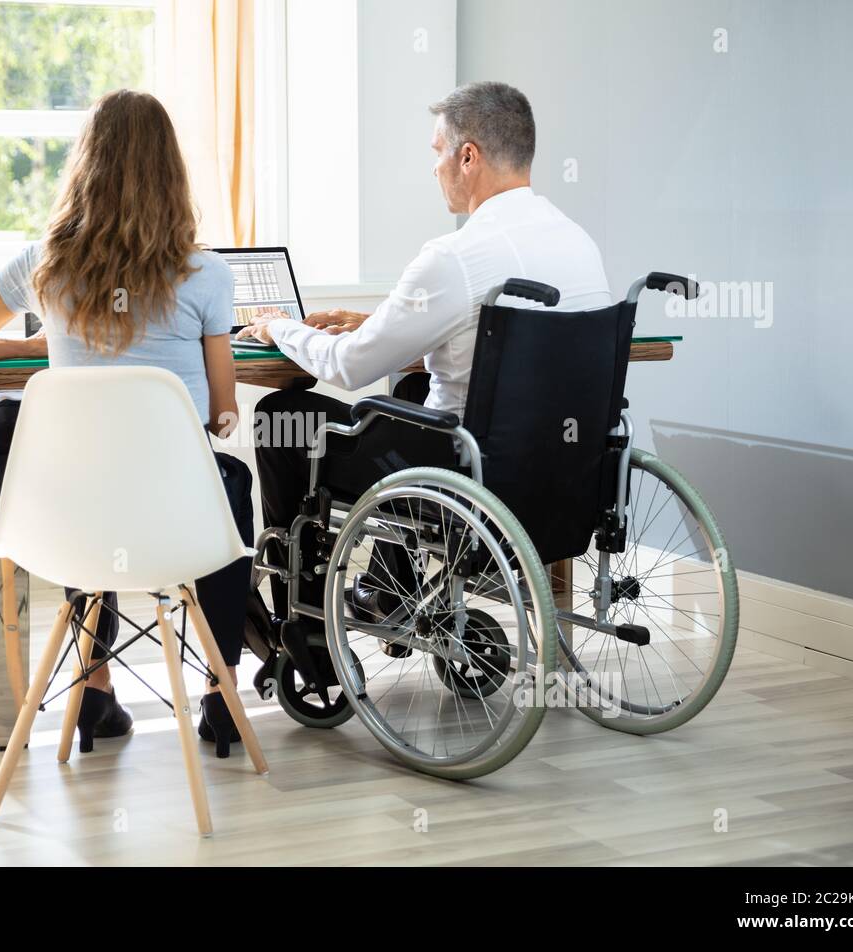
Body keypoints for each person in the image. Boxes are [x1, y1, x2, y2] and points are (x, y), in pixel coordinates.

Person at [0, 90, 250, 757]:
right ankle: (220, 693)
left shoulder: (43, 267)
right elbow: (220, 417)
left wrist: (30, 346)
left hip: (75, 519)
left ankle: (94, 688)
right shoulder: (207, 274)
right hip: (176, 514)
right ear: (171, 174)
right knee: (231, 478)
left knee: (84, 479)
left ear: (84, 167)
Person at [237, 81, 612, 620]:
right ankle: (389, 586)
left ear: (467, 156)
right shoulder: (580, 245)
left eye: (437, 152)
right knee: (413, 388)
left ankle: (306, 627)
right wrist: (380, 322)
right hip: (562, 472)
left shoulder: (454, 257)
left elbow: (349, 366)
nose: (433, 167)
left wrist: (280, 328)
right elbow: (500, 342)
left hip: (465, 473)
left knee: (285, 414)